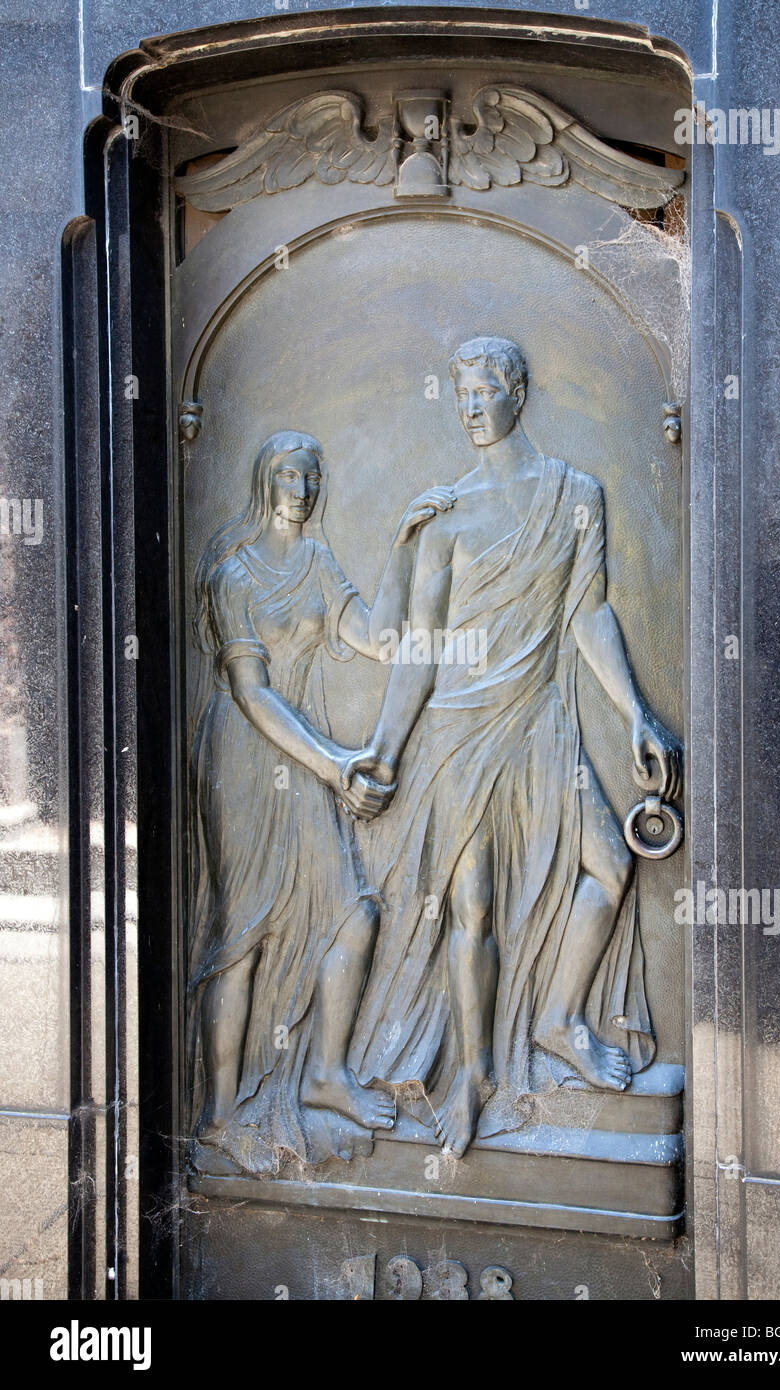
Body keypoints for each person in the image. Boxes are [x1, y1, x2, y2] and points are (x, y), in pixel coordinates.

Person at [345, 338, 682, 1157]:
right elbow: (420, 647)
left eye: (485, 387)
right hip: (460, 732)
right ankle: (474, 1073)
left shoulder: (575, 493)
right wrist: (385, 753)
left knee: (610, 864)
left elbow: (588, 612)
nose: (469, 404)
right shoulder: (445, 516)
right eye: (459, 390)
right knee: (475, 906)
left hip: (540, 723)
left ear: (519, 392)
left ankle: (561, 1019)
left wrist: (636, 711)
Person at [188, 429, 453, 1173]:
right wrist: (336, 764)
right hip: (248, 758)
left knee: (354, 914)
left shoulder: (317, 562)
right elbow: (251, 693)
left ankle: (327, 1075)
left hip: (307, 758)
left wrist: (403, 547)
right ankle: (217, 1112)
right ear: (263, 482)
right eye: (288, 475)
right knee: (244, 934)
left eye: (311, 476)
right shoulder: (233, 575)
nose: (302, 489)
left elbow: (379, 639)